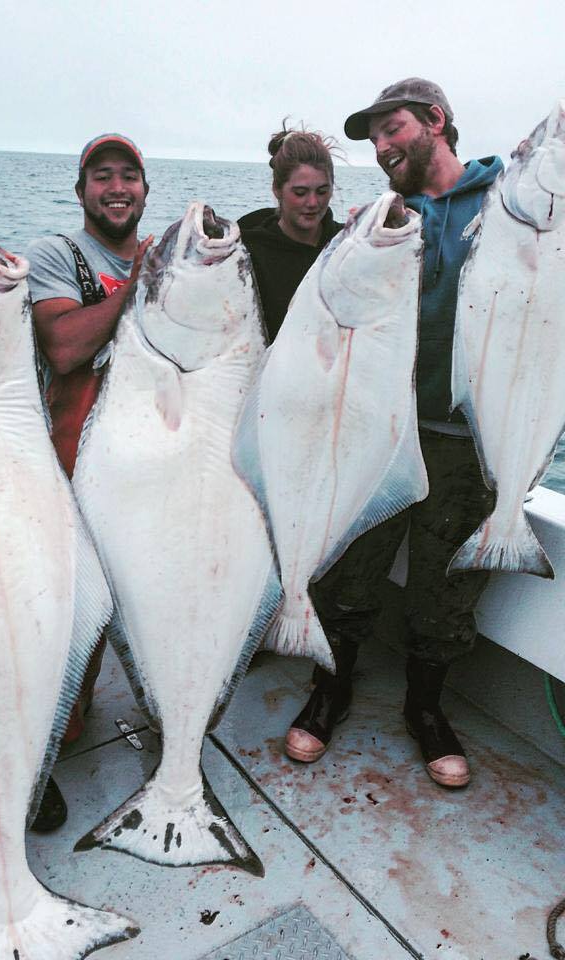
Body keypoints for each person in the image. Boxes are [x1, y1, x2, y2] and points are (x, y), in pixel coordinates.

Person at [284, 79, 504, 789]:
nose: (381, 148)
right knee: (352, 565)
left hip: (466, 439)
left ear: (437, 122)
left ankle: (426, 709)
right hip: (378, 427)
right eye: (374, 137)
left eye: (394, 129)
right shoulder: (386, 218)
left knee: (446, 588)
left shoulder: (505, 206)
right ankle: (332, 689)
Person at [26, 133, 152, 829]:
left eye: (128, 176)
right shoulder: (57, 256)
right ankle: (44, 739)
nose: (116, 187)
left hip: (148, 479)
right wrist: (141, 287)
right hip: (70, 478)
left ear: (143, 189)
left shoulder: (172, 261)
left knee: (150, 613)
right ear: (81, 192)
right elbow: (65, 347)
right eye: (101, 177)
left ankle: (164, 707)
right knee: (59, 623)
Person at [239, 123, 344, 342]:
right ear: (277, 189)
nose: (313, 203)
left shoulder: (345, 245)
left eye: (322, 191)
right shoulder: (248, 253)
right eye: (300, 192)